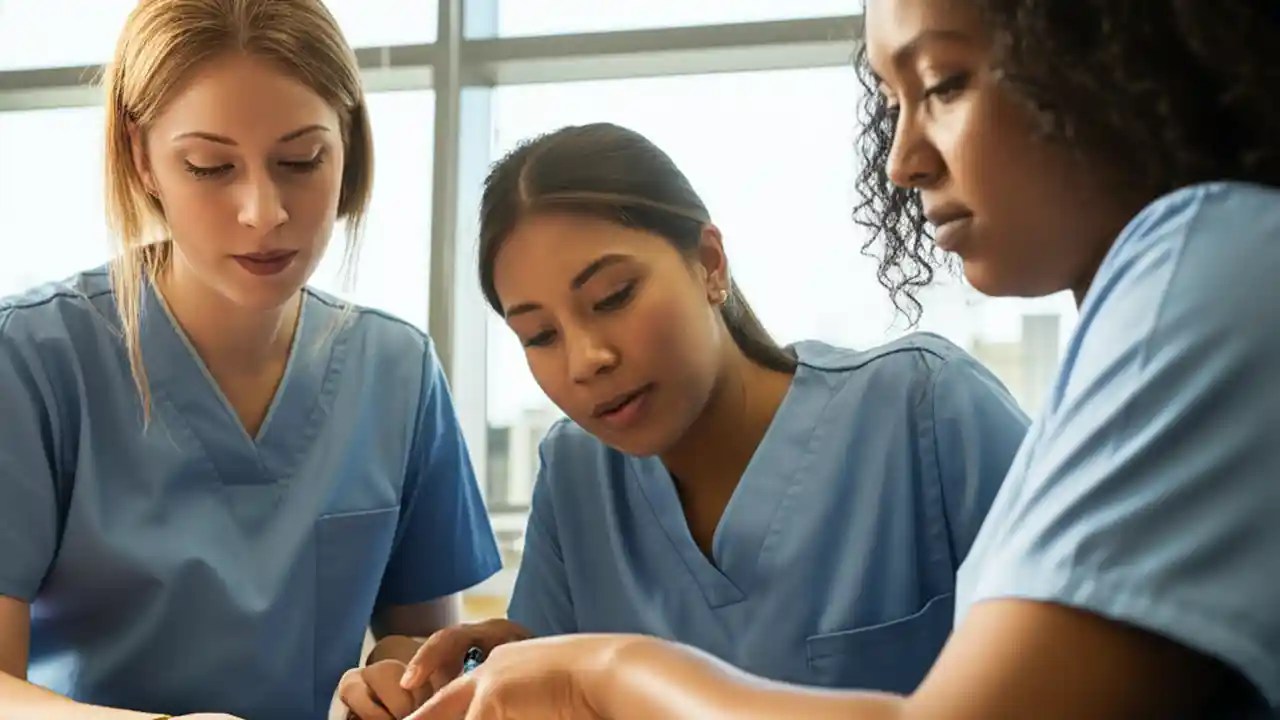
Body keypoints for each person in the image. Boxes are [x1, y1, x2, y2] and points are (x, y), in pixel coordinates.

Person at [406, 1, 1280, 718]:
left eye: (942, 82)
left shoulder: (1210, 268)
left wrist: (600, 672)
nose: (900, 160)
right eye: (537, 335)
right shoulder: (579, 475)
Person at [375, 121, 1028, 706]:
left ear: (709, 263)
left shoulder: (926, 413)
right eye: (539, 336)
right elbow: (549, 682)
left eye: (613, 296)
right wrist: (467, 674)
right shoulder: (576, 475)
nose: (585, 360)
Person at [0, 2, 500, 719]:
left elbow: (423, 647)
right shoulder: (32, 362)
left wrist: (393, 681)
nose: (263, 212)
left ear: (349, 141)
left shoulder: (397, 370)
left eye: (302, 161)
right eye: (209, 167)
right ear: (143, 158)